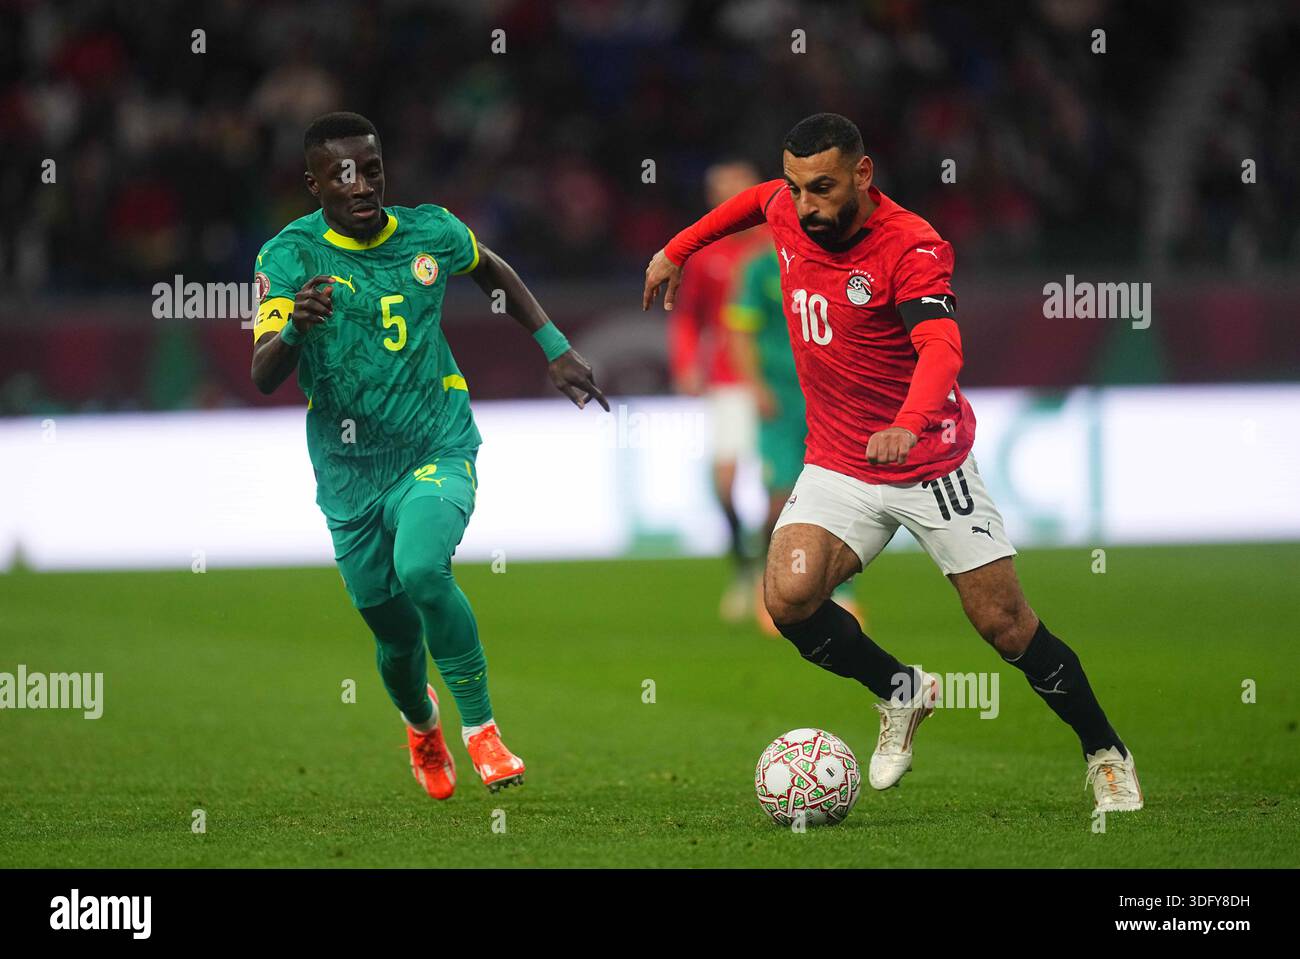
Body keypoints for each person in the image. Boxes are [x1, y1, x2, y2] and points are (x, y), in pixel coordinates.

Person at [643, 113, 1141, 813]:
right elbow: (749, 202)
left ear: (863, 174)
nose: (803, 204)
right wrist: (676, 249)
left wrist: (908, 424)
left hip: (930, 461)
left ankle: (1105, 751)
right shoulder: (786, 205)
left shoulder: (910, 246)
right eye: (795, 186)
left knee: (1006, 626)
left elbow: (941, 348)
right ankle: (901, 691)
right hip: (840, 462)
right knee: (787, 596)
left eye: (821, 187)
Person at [251, 112, 607, 799]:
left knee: (422, 566)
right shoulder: (287, 258)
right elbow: (265, 371)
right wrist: (295, 324)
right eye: (343, 174)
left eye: (372, 169)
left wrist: (555, 347)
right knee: (393, 638)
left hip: (435, 442)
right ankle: (422, 723)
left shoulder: (430, 232)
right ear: (314, 182)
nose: (362, 185)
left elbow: (489, 267)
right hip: (350, 471)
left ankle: (483, 730)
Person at [724, 246, 861, 635]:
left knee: (839, 496)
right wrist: (754, 386)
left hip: (828, 398)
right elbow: (740, 332)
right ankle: (769, 587)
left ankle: (842, 593)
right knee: (779, 498)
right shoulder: (759, 267)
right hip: (779, 402)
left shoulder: (833, 261)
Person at [666, 160, 768, 621]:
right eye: (719, 190)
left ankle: (776, 573)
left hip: (780, 381)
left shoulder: (780, 248)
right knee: (725, 484)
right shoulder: (707, 256)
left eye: (736, 189)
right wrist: (687, 363)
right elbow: (689, 317)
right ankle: (745, 567)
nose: (728, 198)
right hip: (729, 381)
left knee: (779, 487)